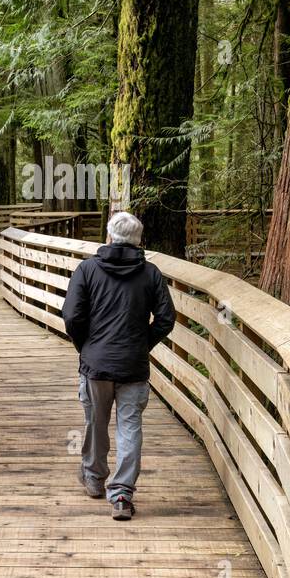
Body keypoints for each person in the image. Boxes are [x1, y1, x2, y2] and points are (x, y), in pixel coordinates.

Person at [60, 211, 175, 521]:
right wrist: (143, 344)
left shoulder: (87, 270)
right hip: (133, 365)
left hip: (95, 364)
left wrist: (86, 347)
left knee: (95, 422)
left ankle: (94, 480)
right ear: (139, 242)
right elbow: (166, 319)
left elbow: (71, 316)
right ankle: (122, 493)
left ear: (108, 237)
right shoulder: (150, 273)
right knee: (130, 427)